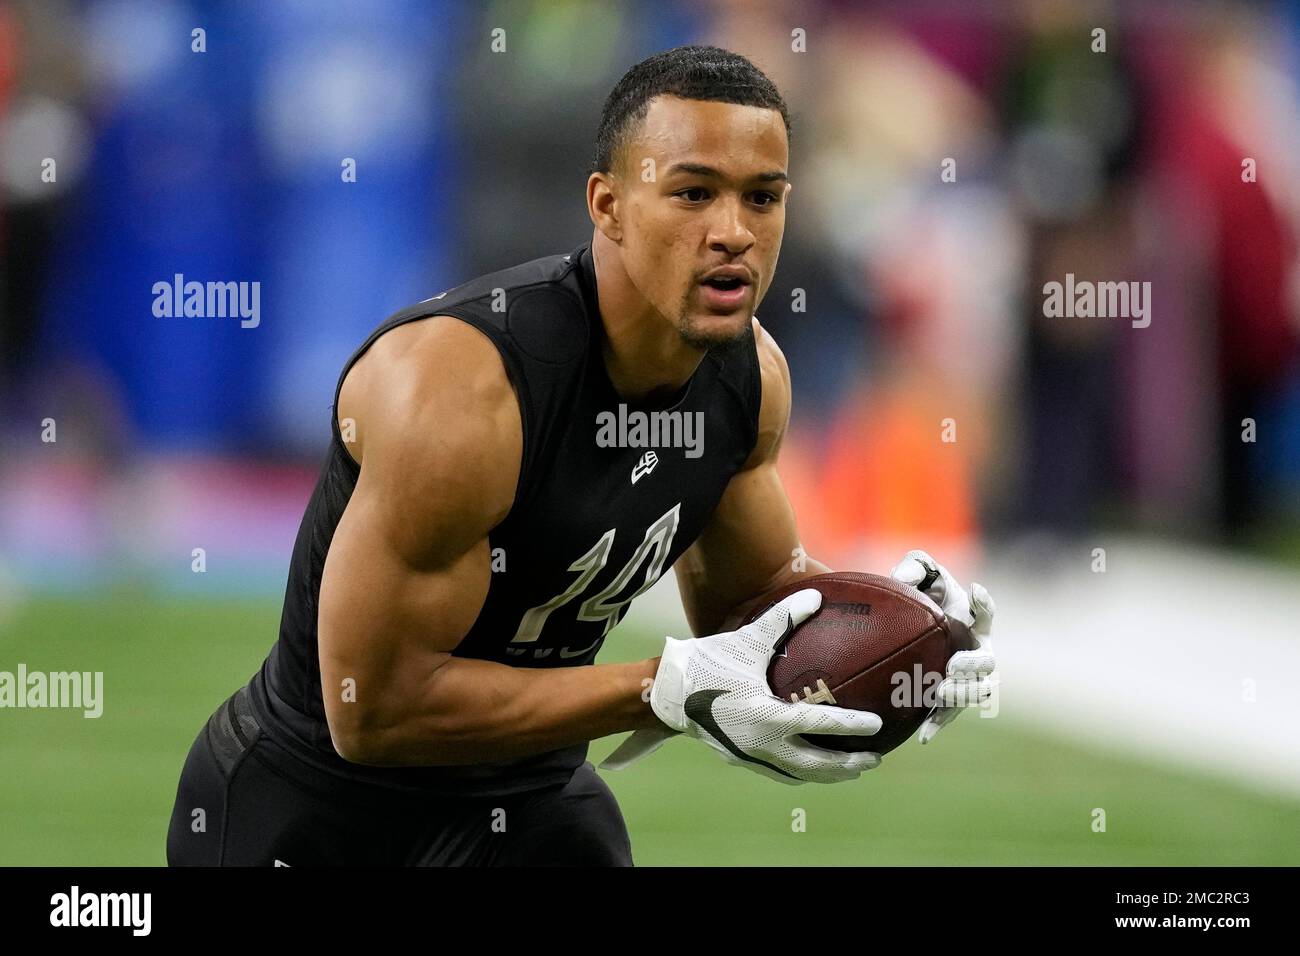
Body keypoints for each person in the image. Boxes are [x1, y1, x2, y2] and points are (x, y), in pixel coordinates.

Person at [166, 45, 997, 867]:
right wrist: (659, 688)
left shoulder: (751, 379)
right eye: (693, 193)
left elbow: (752, 614)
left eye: (762, 197)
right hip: (321, 803)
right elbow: (374, 711)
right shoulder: (462, 389)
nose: (733, 233)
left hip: (529, 792)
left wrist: (901, 637)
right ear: (608, 205)